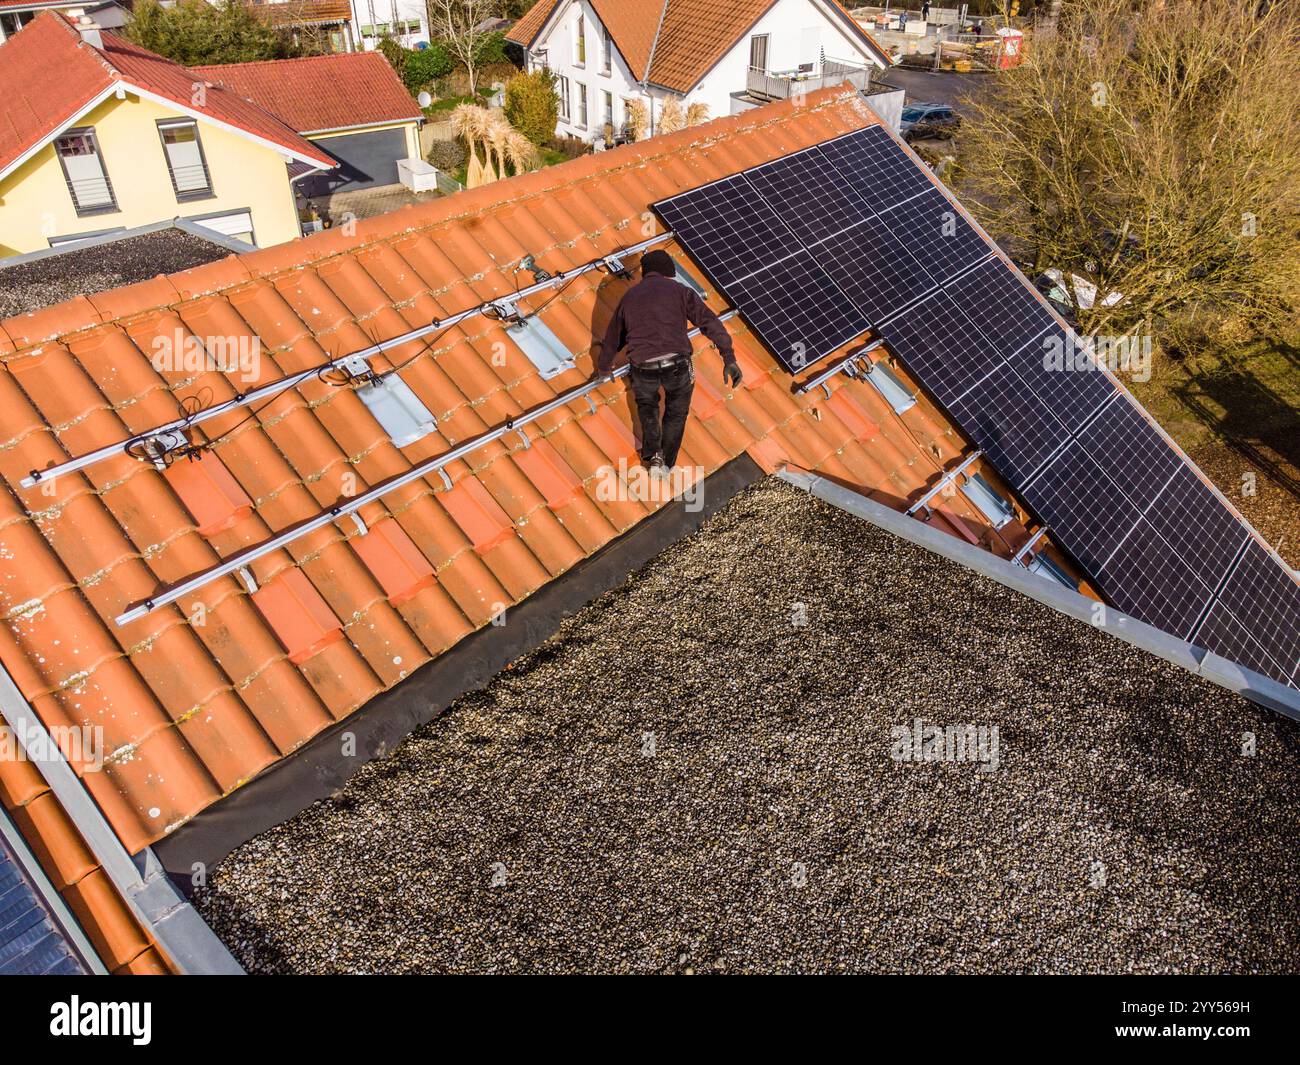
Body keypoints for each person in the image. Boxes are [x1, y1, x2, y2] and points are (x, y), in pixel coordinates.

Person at [598, 250, 741, 473]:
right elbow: (710, 323)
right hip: (677, 365)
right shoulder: (681, 292)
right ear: (668, 271)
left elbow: (613, 338)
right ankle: (666, 463)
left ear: (646, 273)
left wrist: (603, 368)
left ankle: (653, 456)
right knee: (676, 412)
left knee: (648, 409)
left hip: (642, 367)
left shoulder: (629, 297)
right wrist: (728, 357)